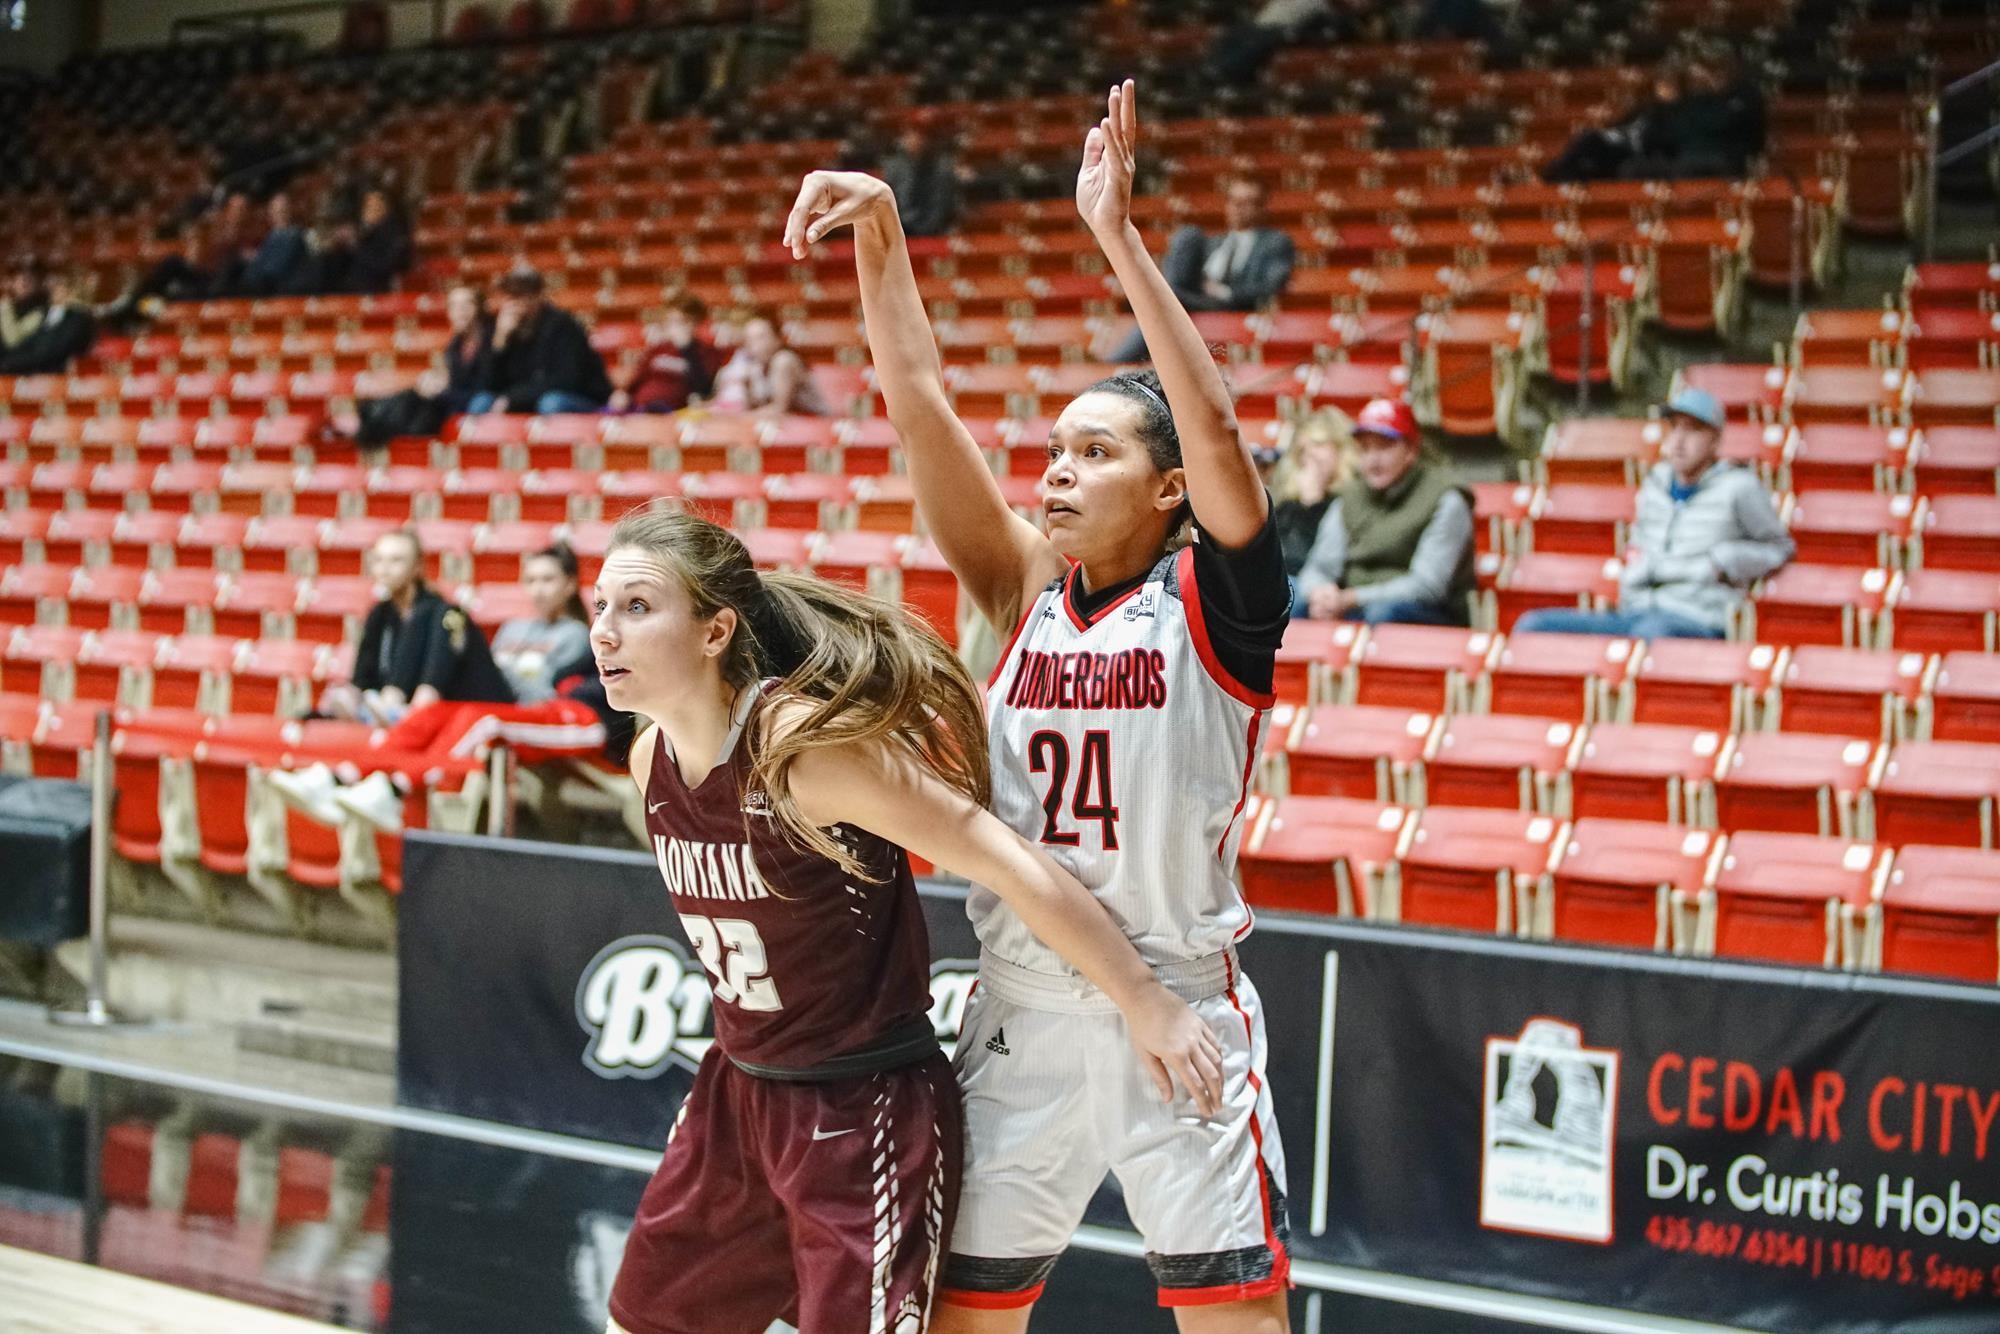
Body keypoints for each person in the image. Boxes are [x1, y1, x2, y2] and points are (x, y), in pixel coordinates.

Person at [788, 79, 1294, 1330]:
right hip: (1019, 1003)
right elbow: (919, 402)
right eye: (1054, 451)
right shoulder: (1022, 585)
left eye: (1095, 452)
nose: (1058, 471)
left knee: (1234, 1321)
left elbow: (1214, 424)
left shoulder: (1218, 602)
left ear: (1169, 492)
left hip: (1177, 1003)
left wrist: (1116, 237)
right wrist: (883, 234)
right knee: (965, 1319)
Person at [593, 505, 1222, 1334]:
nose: (604, 631)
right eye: (600, 606)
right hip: (738, 1092)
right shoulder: (650, 758)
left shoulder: (803, 752)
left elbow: (1010, 863)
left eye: (637, 607)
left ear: (715, 631)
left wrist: (1143, 996)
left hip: (859, 1108)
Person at [1514, 386, 1794, 640]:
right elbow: (1639, 541)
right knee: (1533, 626)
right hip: (1635, 611)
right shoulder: (1655, 483)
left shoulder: (1739, 487)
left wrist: (1726, 560)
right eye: (1675, 428)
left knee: (1649, 634)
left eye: (1693, 430)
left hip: (1696, 617)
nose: (1680, 440)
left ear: (1715, 440)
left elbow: (1780, 547)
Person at [1292, 396, 1474, 625]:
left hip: (1425, 614)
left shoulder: (1446, 498)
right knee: (1291, 596)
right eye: (1365, 449)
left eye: (1384, 447)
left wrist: (1352, 598)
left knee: (1383, 612)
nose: (1373, 460)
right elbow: (1318, 567)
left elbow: (1427, 587)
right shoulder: (1351, 496)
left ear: (1411, 450)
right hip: (1350, 604)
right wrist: (1320, 593)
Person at [312, 530, 514, 725]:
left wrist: (400, 705)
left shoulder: (447, 613)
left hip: (474, 714)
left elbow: (434, 684)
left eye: (396, 560)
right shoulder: (379, 615)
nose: (385, 568)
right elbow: (362, 679)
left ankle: (393, 711)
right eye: (379, 560)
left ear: (417, 566)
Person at [1107, 176, 1294, 363]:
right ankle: (1155, 295)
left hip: (1231, 306)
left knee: (1168, 299)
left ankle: (1118, 360)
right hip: (1195, 297)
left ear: (1262, 207)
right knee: (1187, 235)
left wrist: (1225, 293)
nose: (1237, 208)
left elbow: (1270, 285)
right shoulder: (1214, 241)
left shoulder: (1275, 242)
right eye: (1233, 201)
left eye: (1247, 202)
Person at [328, 284, 494, 449]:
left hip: (476, 401)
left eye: (466, 305)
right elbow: (456, 382)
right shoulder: (455, 345)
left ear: (480, 309)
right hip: (453, 399)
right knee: (413, 395)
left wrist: (442, 391)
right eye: (454, 306)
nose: (460, 312)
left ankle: (374, 423)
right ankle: (373, 420)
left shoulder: (492, 341)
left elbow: (485, 385)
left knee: (419, 403)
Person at [466, 268, 613, 415]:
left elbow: (566, 381)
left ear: (537, 297)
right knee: (481, 402)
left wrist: (513, 399)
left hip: (577, 399)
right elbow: (485, 385)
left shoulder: (562, 325)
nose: (512, 303)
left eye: (519, 295)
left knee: (551, 403)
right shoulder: (498, 328)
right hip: (524, 399)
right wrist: (499, 342)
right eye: (508, 295)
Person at [493, 544, 593, 703]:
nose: (537, 590)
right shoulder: (511, 627)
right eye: (530, 580)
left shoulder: (576, 634)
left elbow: (543, 689)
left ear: (570, 584)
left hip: (536, 710)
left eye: (547, 580)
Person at [1268, 412, 1349, 579]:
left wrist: (1312, 504)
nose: (1309, 454)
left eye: (1318, 444)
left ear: (1341, 449)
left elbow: (1304, 562)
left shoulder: (1350, 499)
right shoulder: (1288, 501)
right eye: (1303, 449)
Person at [609, 294, 717, 413]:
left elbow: (704, 390)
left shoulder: (706, 352)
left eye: (682, 321)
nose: (676, 327)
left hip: (673, 412)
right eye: (672, 321)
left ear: (696, 323)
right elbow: (638, 378)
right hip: (639, 408)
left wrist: (687, 348)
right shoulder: (658, 349)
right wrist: (624, 394)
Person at [709, 311, 830, 416]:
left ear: (777, 339)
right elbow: (755, 406)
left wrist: (739, 418)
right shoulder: (756, 366)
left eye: (761, 337)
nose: (755, 344)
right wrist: (747, 386)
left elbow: (779, 409)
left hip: (815, 424)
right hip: (788, 427)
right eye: (749, 339)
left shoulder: (784, 361)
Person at [878, 124, 959, 238]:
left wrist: (932, 226)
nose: (915, 141)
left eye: (920, 137)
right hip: (901, 229)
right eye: (910, 136)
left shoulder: (943, 169)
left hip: (936, 230)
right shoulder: (894, 167)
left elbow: (943, 203)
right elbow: (890, 200)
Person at [237, 193, 310, 297]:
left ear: (289, 211)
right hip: (258, 286)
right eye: (275, 210)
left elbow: (275, 269)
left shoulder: (293, 236)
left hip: (278, 290)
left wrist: (257, 258)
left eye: (282, 210)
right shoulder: (271, 235)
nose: (278, 214)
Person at [342, 188, 412, 294]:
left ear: (385, 208)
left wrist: (355, 246)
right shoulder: (364, 230)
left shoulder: (394, 232)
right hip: (353, 286)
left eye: (374, 206)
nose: (368, 210)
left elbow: (386, 265)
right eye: (367, 206)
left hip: (376, 289)